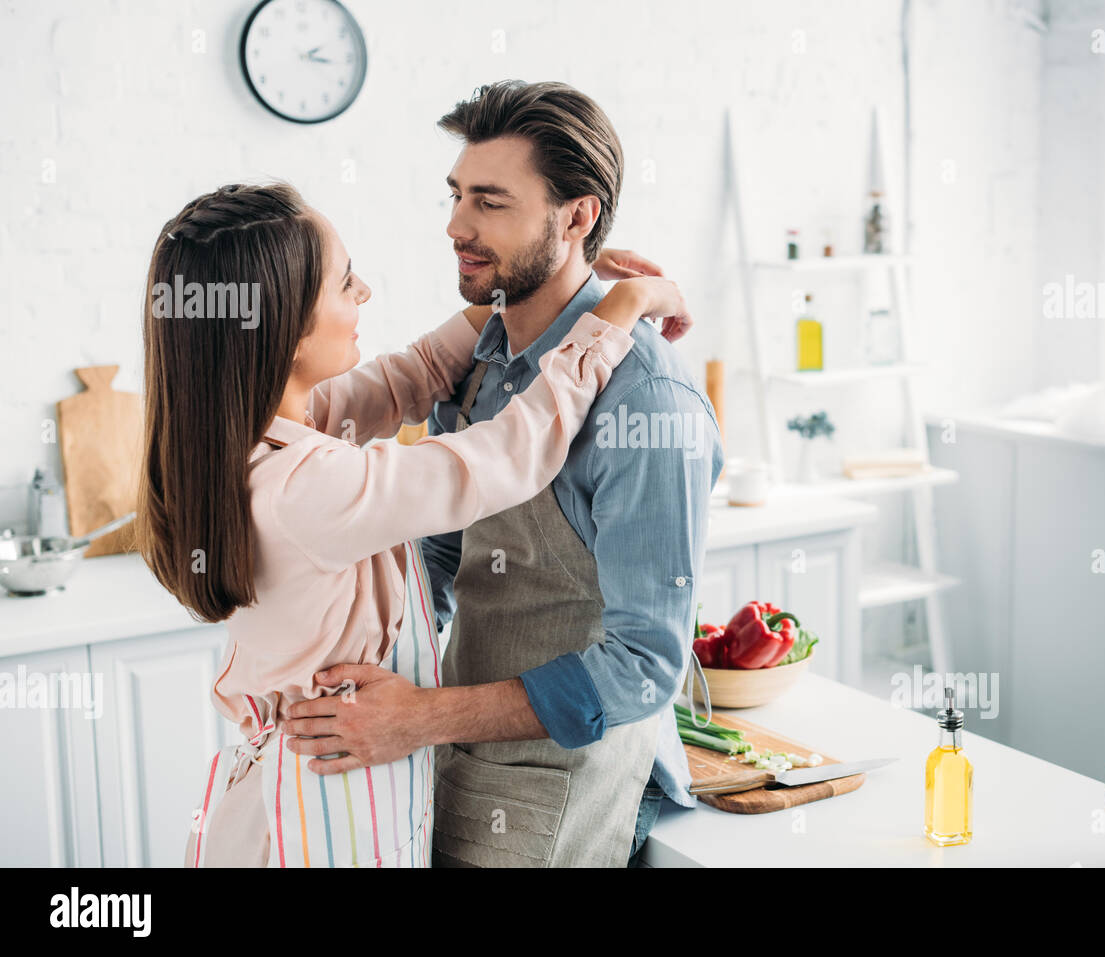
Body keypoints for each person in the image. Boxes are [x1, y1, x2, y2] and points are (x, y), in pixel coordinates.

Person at [135, 181, 691, 866]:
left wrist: (544, 284)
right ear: (284, 332)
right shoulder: (308, 487)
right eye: (344, 283)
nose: (364, 291)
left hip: (292, 799)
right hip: (322, 820)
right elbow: (509, 453)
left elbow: (415, 374)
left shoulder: (254, 435)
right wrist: (620, 310)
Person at [283, 81, 724, 867]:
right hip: (451, 764)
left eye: (490, 201)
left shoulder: (648, 398)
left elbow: (643, 663)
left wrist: (420, 717)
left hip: (561, 793)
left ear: (577, 216)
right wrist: (377, 684)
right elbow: (444, 553)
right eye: (457, 195)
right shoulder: (482, 356)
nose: (456, 225)